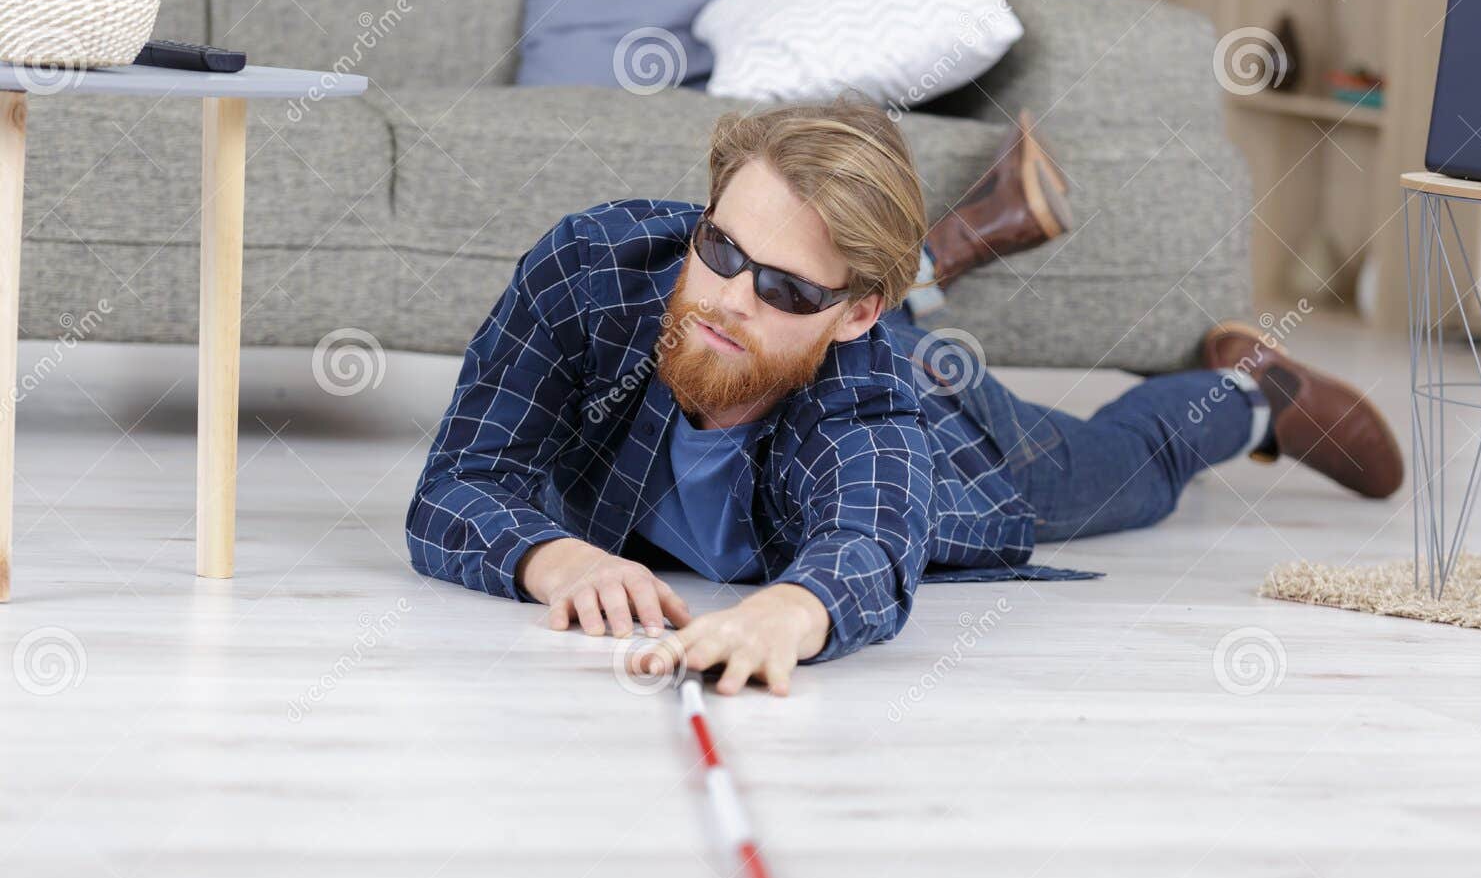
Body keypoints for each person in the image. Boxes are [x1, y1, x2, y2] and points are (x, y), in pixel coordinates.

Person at [406, 95, 1401, 696]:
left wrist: (789, 613)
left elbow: (868, 543)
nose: (726, 299)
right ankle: (948, 244)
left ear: (850, 315)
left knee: (1121, 475)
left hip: (949, 422)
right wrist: (556, 557)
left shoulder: (873, 390)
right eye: (720, 248)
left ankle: (1250, 391)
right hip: (859, 312)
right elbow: (458, 480)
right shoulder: (591, 268)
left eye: (786, 288)